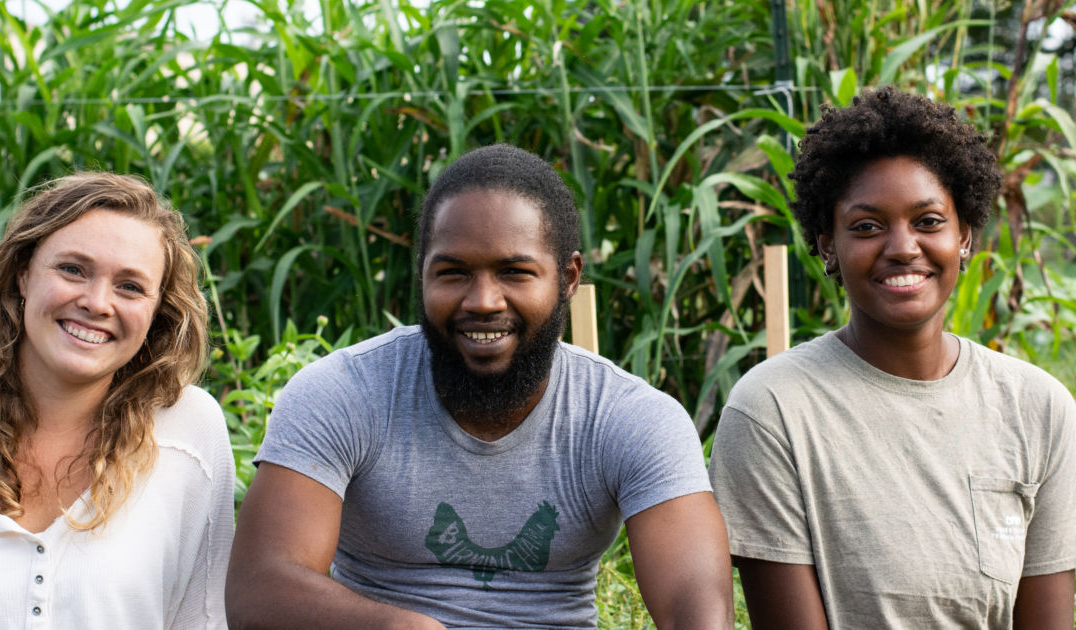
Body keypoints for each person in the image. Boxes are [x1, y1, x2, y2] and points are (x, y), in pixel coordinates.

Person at [226, 144, 733, 629]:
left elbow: (695, 609)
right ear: (422, 274)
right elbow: (260, 590)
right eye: (453, 273)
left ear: (568, 277)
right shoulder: (344, 393)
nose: (484, 301)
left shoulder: (631, 418)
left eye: (515, 272)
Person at [709, 87, 1076, 628]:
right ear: (828, 246)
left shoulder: (1038, 407)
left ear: (965, 236)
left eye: (928, 221)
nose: (903, 247)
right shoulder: (773, 411)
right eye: (867, 227)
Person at [0, 173, 234, 629]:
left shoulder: (189, 437)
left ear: (157, 310)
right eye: (73, 270)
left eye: (130, 286)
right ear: (23, 274)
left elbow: (203, 619)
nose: (97, 302)